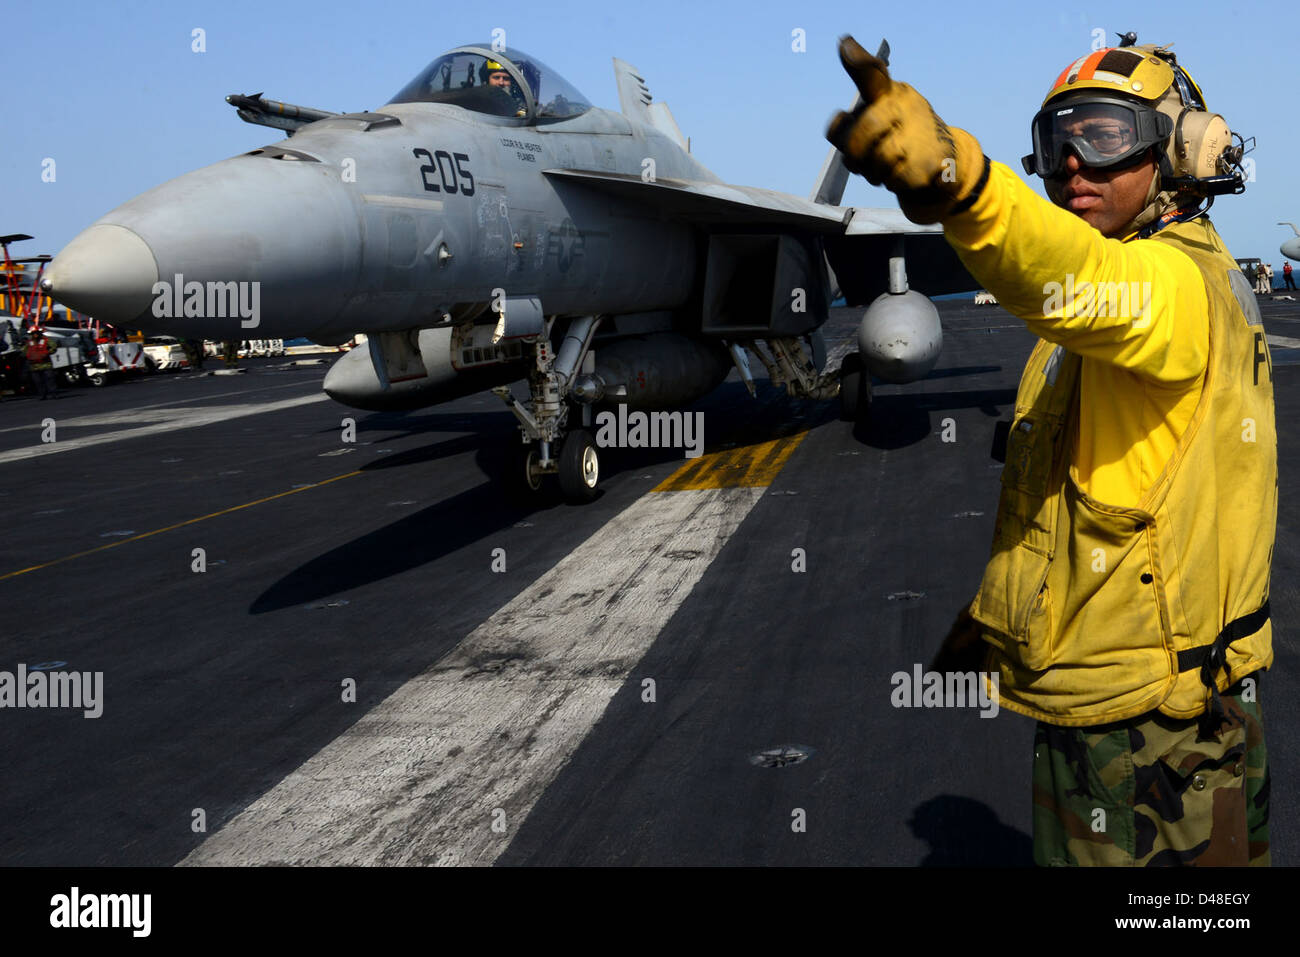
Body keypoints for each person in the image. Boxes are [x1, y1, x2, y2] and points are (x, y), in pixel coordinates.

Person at [828, 35, 1274, 866]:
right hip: (1120, 694)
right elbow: (1073, 487)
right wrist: (1000, 615)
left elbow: (1064, 272)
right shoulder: (1144, 281)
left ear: (1177, 149)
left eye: (1104, 136)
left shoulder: (1170, 285)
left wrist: (962, 177)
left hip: (1149, 729)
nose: (1073, 164)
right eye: (1056, 141)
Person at [23, 328, 58, 399]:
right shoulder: (29, 342)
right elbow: (23, 351)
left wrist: (47, 353)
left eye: (36, 333)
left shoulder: (46, 340)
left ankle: (53, 394)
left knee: (49, 379)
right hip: (34, 365)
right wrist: (28, 356)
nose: (35, 335)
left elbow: (54, 347)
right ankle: (42, 395)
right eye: (33, 333)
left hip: (46, 364)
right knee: (38, 381)